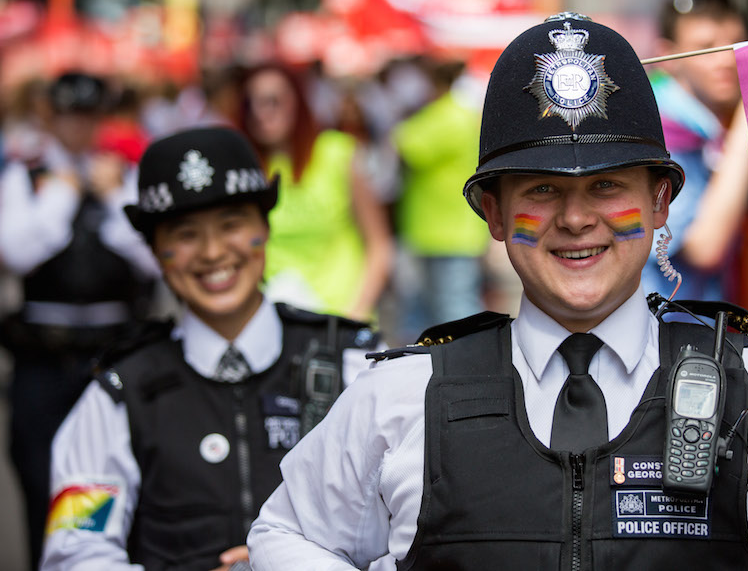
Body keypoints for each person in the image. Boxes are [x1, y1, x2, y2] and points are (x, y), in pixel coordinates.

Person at [246, 13, 748, 569]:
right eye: (539, 190)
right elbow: (285, 535)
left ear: (661, 202)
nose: (575, 218)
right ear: (491, 212)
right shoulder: (400, 399)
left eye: (608, 187)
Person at [40, 126, 381, 570]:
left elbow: (413, 530)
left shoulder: (357, 365)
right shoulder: (117, 394)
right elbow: (75, 553)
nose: (213, 251)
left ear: (266, 226)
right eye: (184, 234)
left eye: (232, 224)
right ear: (154, 249)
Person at [0, 72, 159, 568]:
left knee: (111, 484)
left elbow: (156, 256)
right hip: (44, 359)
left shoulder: (121, 175)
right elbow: (15, 251)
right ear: (51, 116)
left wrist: (113, 197)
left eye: (87, 117)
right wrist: (61, 196)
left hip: (109, 354)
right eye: (68, 116)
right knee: (41, 483)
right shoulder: (26, 178)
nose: (77, 127)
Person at [239, 63, 394, 321]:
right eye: (250, 104)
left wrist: (355, 313)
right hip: (276, 321)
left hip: (340, 317)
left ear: (297, 103)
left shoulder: (337, 153)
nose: (261, 113)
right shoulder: (246, 169)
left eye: (273, 101)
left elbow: (379, 244)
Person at [642, 0, 748, 302]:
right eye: (706, 49)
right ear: (667, 58)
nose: (726, 60)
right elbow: (704, 248)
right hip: (669, 332)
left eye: (735, 44)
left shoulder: (701, 124)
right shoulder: (659, 131)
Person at [391, 57, 489, 333]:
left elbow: (403, 148)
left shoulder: (444, 116)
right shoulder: (460, 114)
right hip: (450, 231)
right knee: (445, 310)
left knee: (452, 313)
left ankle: (469, 372)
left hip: (443, 232)